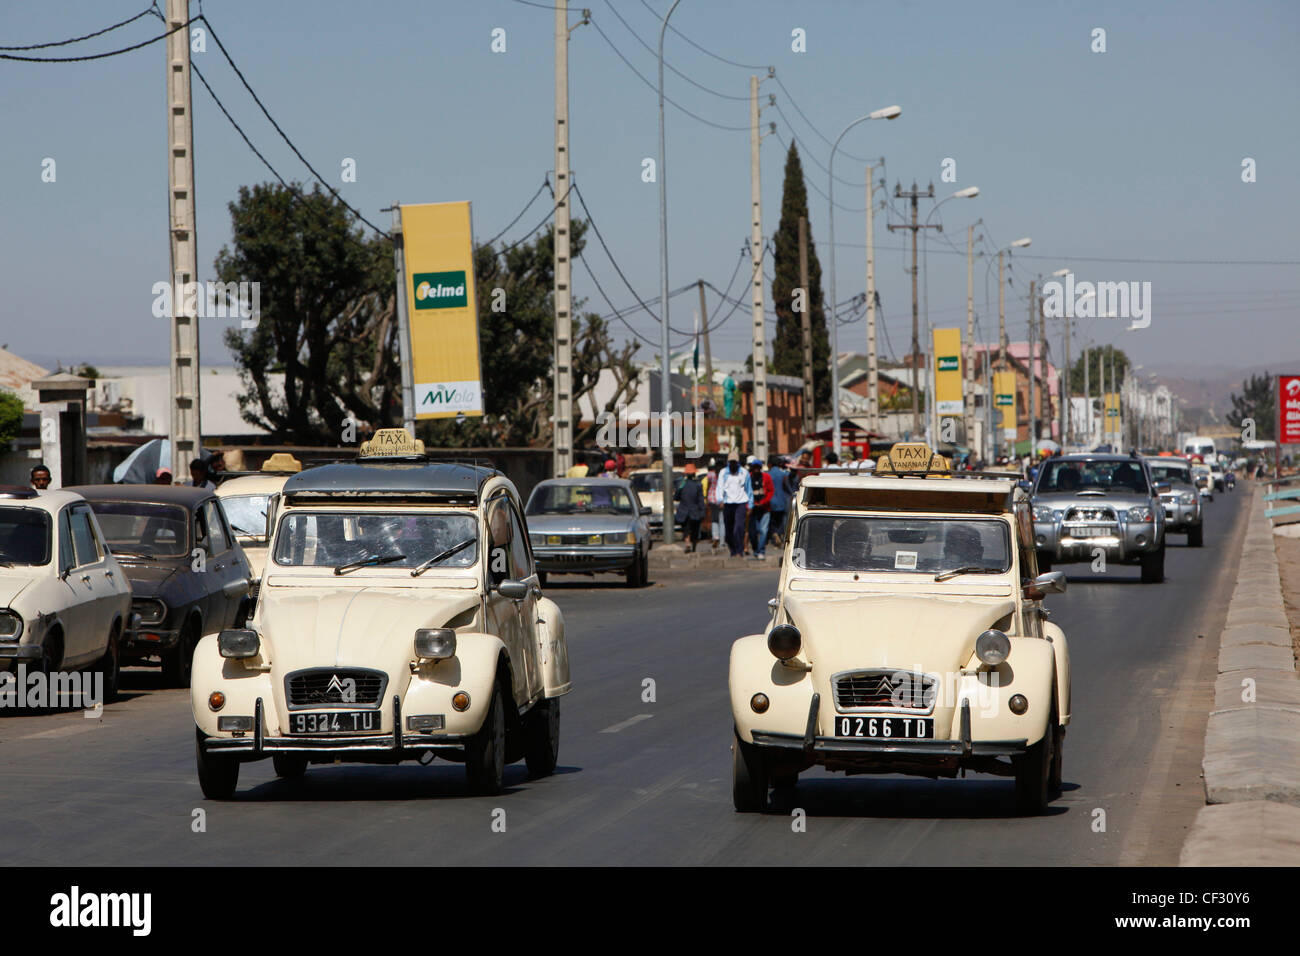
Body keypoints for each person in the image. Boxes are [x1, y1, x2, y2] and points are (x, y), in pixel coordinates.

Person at [717, 451, 752, 557]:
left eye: (734, 462)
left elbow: (748, 489)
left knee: (739, 528)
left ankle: (739, 551)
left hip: (741, 503)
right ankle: (733, 550)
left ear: (737, 462)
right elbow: (719, 487)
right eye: (731, 462)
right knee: (728, 530)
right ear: (728, 462)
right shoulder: (723, 473)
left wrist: (750, 504)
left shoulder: (744, 473)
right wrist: (720, 500)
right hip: (727, 503)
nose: (732, 464)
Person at [746, 457, 774, 560]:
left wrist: (763, 502)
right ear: (752, 468)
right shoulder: (748, 477)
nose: (756, 469)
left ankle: (761, 550)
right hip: (752, 509)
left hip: (764, 508)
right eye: (755, 467)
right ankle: (755, 549)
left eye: (758, 467)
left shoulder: (766, 477)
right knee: (753, 531)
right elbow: (745, 491)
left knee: (763, 530)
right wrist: (750, 504)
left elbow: (771, 491)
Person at [674, 463, 706, 552]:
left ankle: (687, 543)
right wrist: (703, 512)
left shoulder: (682, 484)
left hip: (683, 511)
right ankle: (693, 546)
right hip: (695, 512)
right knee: (694, 530)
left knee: (686, 529)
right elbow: (700, 500)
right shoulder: (698, 485)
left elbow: (676, 497)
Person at [767, 455, 791, 546]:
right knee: (781, 520)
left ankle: (774, 534)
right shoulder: (783, 475)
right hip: (781, 501)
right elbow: (787, 488)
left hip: (770, 501)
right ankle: (779, 533)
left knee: (772, 520)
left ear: (769, 464)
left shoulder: (767, 474)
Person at [704, 457, 723, 550]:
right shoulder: (724, 475)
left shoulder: (710, 475)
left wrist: (707, 499)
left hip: (712, 498)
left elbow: (708, 487)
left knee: (714, 519)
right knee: (722, 520)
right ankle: (722, 541)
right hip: (722, 499)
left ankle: (715, 537)